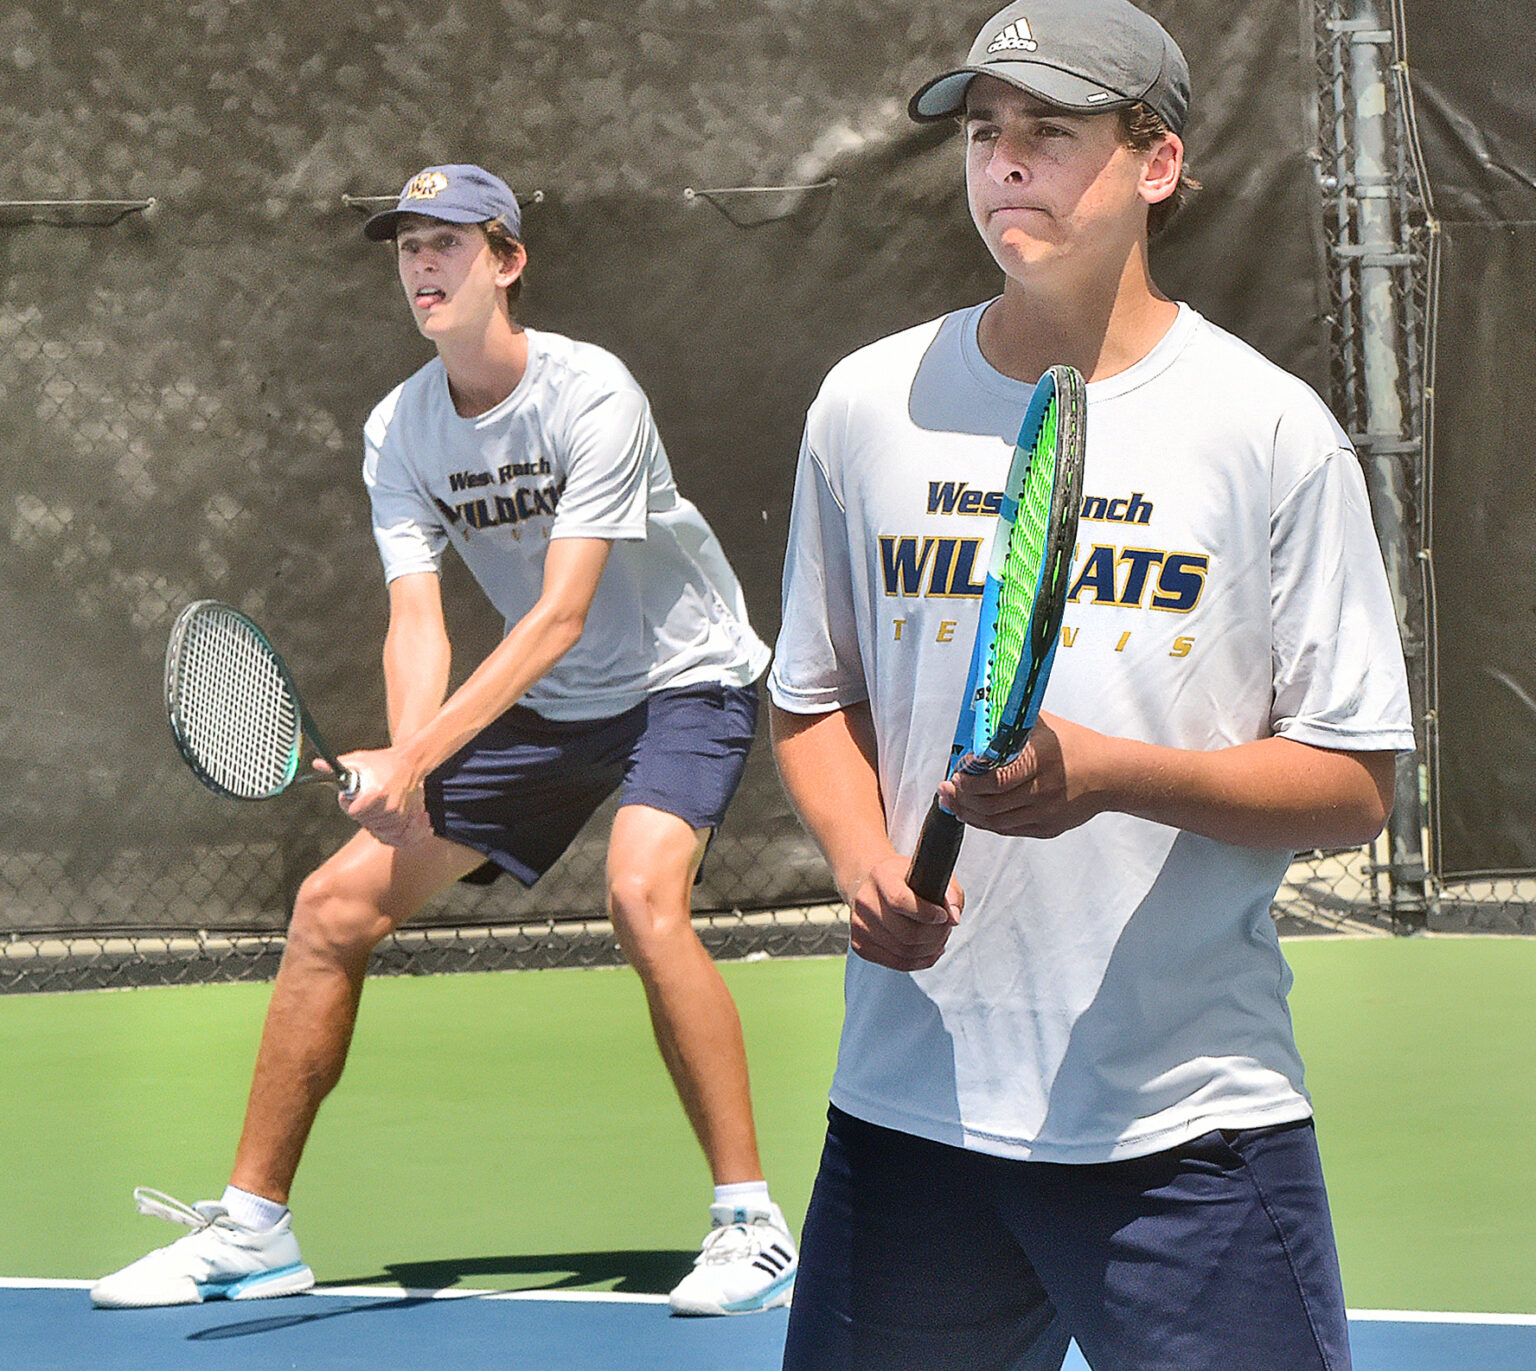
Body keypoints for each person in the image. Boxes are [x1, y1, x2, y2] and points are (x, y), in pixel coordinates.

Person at [767, 1, 1414, 1366]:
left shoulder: (1270, 432)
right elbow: (812, 695)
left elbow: (1355, 780)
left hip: (1184, 1132)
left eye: (1049, 134)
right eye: (986, 133)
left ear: (1157, 162)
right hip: (907, 1113)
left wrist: (1114, 773)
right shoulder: (864, 405)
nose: (1005, 163)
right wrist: (856, 852)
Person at [93, 163, 796, 1318]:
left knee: (642, 896)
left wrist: (418, 755)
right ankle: (253, 1232)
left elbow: (565, 611)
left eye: (447, 243)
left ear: (506, 261)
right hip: (549, 705)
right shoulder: (401, 427)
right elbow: (414, 617)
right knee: (331, 905)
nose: (423, 266)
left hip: (684, 679)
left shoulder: (593, 394)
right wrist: (404, 757)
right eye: (407, 247)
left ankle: (749, 1225)